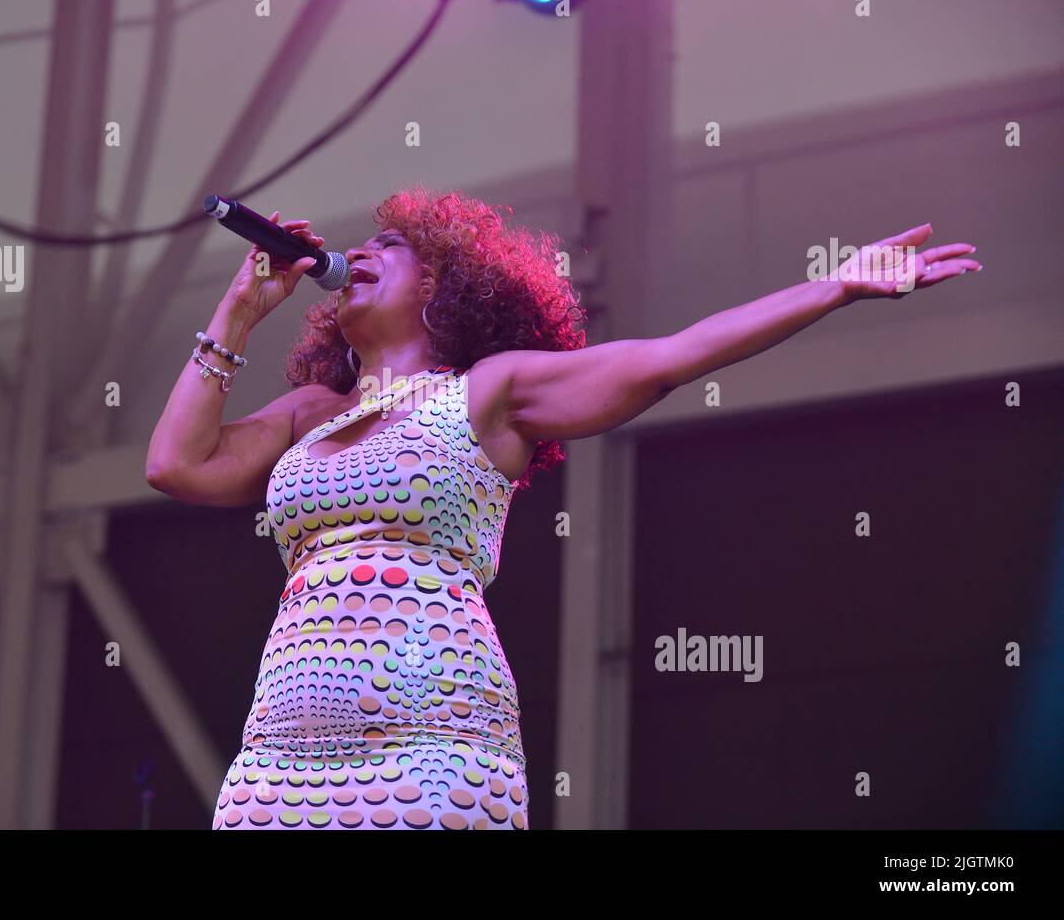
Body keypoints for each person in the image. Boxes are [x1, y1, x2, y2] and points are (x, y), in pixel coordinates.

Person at [145, 187, 980, 829]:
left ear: (441, 283)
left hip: (431, 747)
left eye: (389, 246)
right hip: (280, 761)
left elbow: (667, 358)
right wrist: (237, 313)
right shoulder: (309, 413)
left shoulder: (489, 393)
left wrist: (833, 286)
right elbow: (176, 464)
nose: (358, 251)